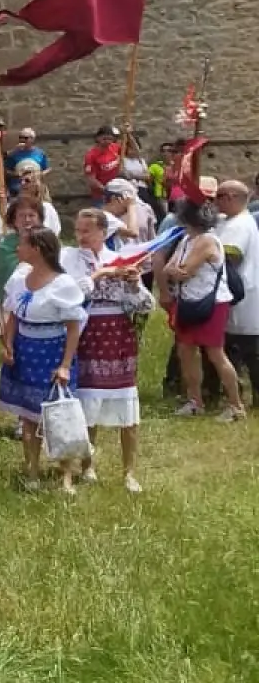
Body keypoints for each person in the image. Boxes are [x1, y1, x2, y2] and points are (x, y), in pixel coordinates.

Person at [62, 209, 154, 492]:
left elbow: (145, 306)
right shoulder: (69, 259)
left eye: (87, 231)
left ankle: (129, 472)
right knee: (89, 402)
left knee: (127, 406)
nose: (81, 236)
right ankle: (87, 465)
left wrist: (135, 285)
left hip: (117, 336)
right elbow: (73, 293)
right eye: (78, 230)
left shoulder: (121, 259)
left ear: (104, 232)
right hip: (88, 334)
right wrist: (101, 274)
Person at [0, 229, 87, 492]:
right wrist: (9, 344)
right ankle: (32, 471)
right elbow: (13, 315)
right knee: (28, 416)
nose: (17, 249)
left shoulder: (63, 285)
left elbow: (73, 327)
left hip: (52, 351)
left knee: (59, 416)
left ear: (37, 249)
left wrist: (65, 365)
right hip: (26, 350)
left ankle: (66, 475)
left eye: (22, 244)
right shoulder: (20, 279)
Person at [159, 198, 246, 421]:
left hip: (212, 303)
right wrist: (176, 269)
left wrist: (177, 269)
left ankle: (236, 406)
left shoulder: (207, 241)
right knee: (185, 351)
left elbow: (184, 271)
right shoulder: (187, 240)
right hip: (188, 301)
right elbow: (170, 268)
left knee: (215, 353)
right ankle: (195, 401)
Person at [215, 180, 259, 406]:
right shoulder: (229, 221)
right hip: (236, 296)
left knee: (248, 350)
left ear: (230, 197)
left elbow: (231, 255)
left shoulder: (239, 224)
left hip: (243, 295)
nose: (215, 202)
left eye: (218, 197)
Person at [83, 126, 123, 203]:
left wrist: (128, 134)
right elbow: (91, 179)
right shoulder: (91, 156)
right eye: (104, 139)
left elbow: (133, 151)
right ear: (98, 138)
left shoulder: (114, 147)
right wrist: (106, 191)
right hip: (101, 195)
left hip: (117, 189)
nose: (107, 141)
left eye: (110, 139)